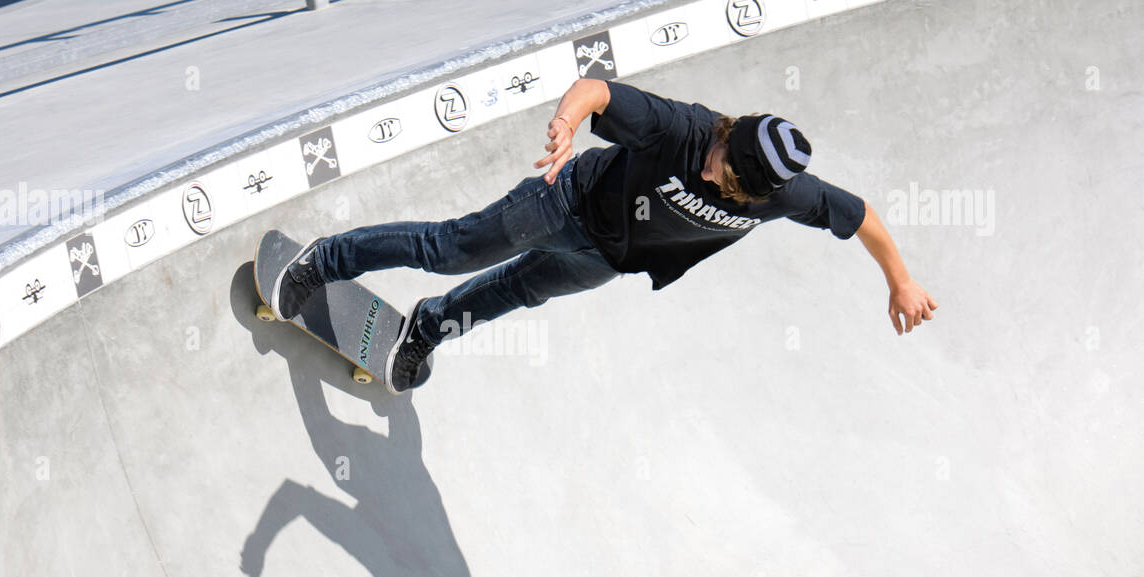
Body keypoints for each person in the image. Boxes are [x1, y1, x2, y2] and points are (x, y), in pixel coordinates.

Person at [266, 78, 938, 394]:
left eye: (722, 168)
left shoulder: (792, 196)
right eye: (721, 146)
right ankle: (325, 260)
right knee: (446, 250)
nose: (710, 160)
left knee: (511, 294)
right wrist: (564, 125)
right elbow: (596, 91)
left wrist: (901, 280)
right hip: (565, 202)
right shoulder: (687, 129)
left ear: (758, 193)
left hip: (609, 257)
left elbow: (863, 218)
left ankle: (428, 328)